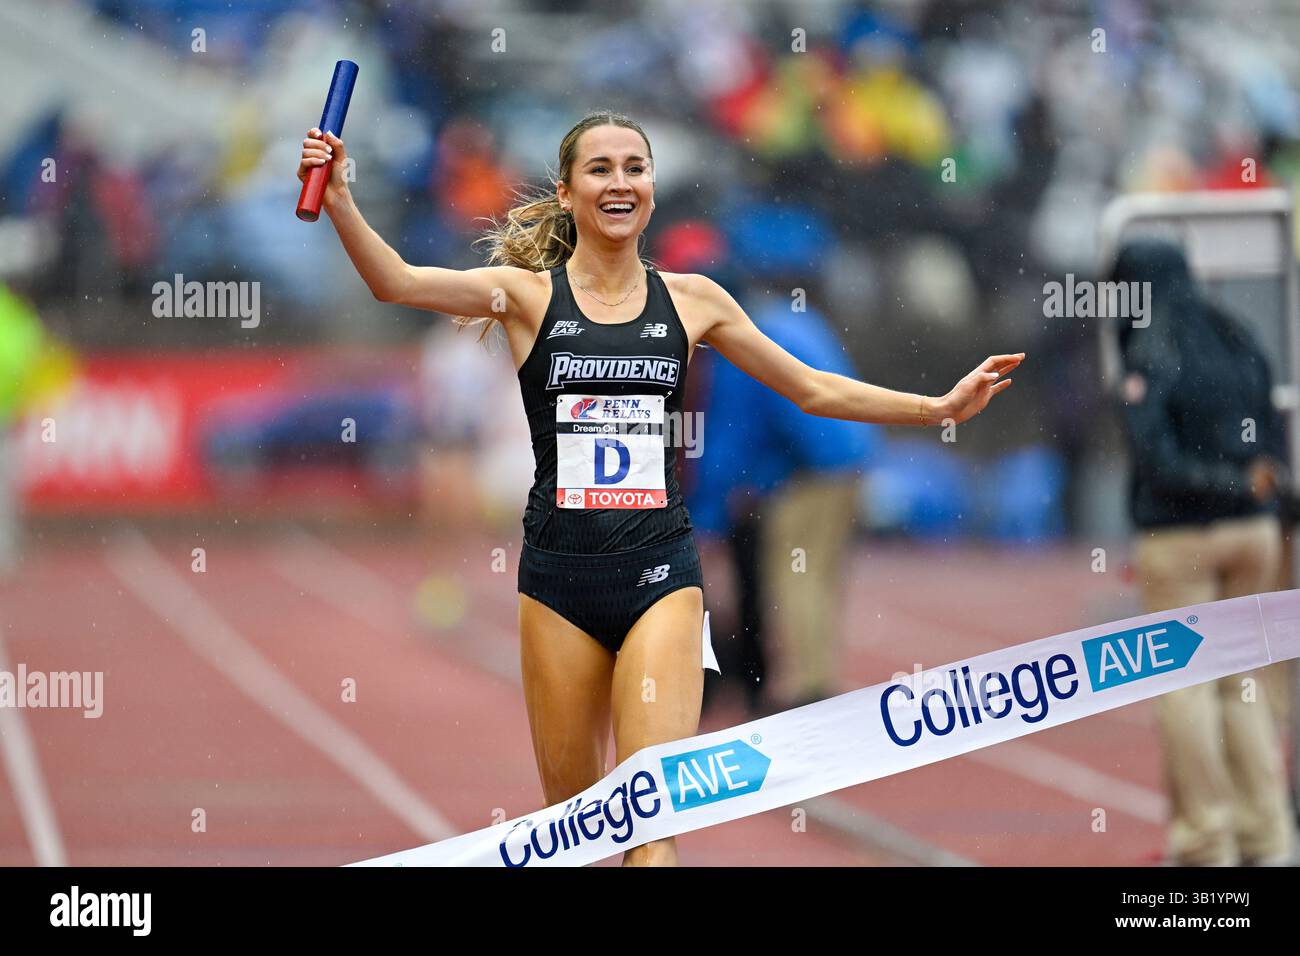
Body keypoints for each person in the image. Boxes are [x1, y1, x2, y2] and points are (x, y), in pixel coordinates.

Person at [297, 109, 1023, 866]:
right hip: (557, 581)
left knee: (650, 822)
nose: (620, 182)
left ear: (651, 187)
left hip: (660, 578)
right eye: (601, 169)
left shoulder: (694, 300)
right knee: (571, 829)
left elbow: (809, 389)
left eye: (634, 168)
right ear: (569, 191)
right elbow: (398, 283)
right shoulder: (524, 296)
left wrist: (934, 407)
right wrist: (342, 196)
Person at [1114, 239, 1297, 866]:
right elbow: (1273, 441)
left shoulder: (1148, 350)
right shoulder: (1237, 335)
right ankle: (1269, 838)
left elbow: (1155, 460)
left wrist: (1218, 486)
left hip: (1183, 536)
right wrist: (1266, 499)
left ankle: (1205, 843)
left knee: (1187, 686)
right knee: (1243, 683)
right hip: (1254, 533)